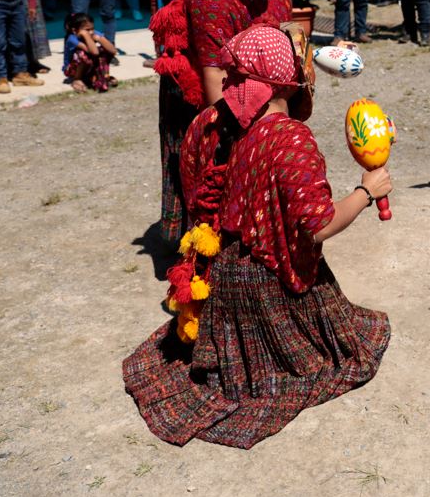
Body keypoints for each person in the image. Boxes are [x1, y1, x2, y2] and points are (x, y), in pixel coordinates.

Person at [125, 24, 391, 449]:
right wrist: (366, 192)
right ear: (289, 79)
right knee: (340, 350)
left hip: (226, 275)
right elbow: (319, 225)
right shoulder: (290, 138)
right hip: (267, 283)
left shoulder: (228, 128)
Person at [150, 0, 292, 245]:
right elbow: (216, 88)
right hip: (218, 104)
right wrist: (261, 138)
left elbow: (286, 31)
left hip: (259, 92)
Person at [63, 11, 116, 92]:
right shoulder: (72, 39)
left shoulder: (94, 33)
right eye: (87, 30)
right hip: (71, 70)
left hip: (89, 67)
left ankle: (100, 76)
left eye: (92, 29)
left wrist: (99, 38)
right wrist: (85, 35)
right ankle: (77, 79)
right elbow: (94, 52)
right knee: (81, 54)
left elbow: (113, 50)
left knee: (105, 50)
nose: (91, 32)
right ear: (74, 30)